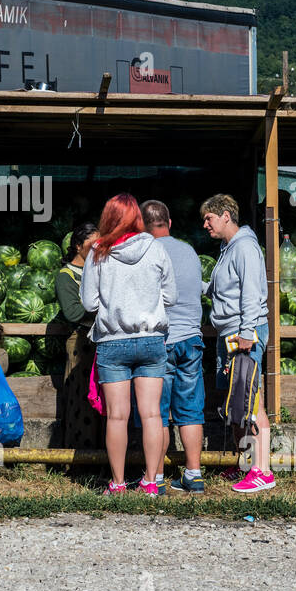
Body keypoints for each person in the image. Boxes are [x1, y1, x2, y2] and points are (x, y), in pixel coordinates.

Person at [80, 194, 176, 496]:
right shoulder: (156, 248)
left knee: (117, 417)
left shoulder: (98, 252)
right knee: (151, 415)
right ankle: (151, 482)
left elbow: (88, 302)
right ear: (137, 217)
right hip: (151, 340)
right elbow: (170, 296)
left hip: (113, 343)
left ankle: (118, 483)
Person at [202, 194, 274, 493]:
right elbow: (222, 290)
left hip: (243, 332)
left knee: (250, 398)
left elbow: (250, 293)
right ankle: (246, 463)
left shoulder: (244, 247)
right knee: (235, 402)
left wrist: (246, 332)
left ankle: (263, 471)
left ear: (226, 216)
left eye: (209, 218)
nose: (205, 224)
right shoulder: (227, 248)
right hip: (229, 333)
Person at [140, 200, 207, 494]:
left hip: (161, 340)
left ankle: (155, 477)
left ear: (142, 226)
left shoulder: (146, 252)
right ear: (169, 222)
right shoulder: (189, 250)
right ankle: (194, 473)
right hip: (191, 340)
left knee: (158, 412)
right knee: (191, 410)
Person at [55, 223, 101, 450]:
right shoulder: (65, 276)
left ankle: (100, 455)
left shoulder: (100, 269)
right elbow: (72, 312)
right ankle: (79, 457)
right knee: (80, 399)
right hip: (80, 343)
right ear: (77, 246)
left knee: (98, 400)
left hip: (99, 341)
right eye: (92, 244)